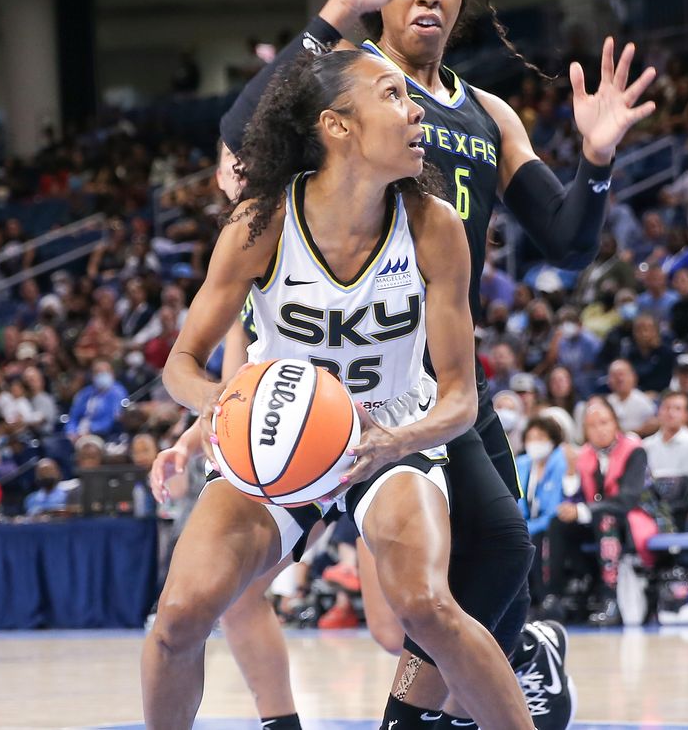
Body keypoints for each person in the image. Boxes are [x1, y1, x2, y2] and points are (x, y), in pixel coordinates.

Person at [184, 0, 655, 728]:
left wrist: (597, 160)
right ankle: (475, 676)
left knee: (501, 551)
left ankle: (443, 700)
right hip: (316, 383)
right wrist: (337, 7)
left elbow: (568, 241)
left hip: (432, 380)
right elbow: (239, 132)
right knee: (365, 596)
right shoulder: (343, 94)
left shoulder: (490, 113)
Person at [141, 49, 532, 729]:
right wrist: (216, 405)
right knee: (177, 617)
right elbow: (181, 361)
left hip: (387, 435)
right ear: (338, 126)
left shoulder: (433, 225)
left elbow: (461, 399)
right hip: (276, 440)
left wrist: (397, 441)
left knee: (427, 607)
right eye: (393, 96)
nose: (417, 113)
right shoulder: (259, 223)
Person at [541, 396, 653, 625]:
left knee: (606, 520)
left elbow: (628, 499)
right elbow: (575, 498)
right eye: (592, 425)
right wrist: (571, 472)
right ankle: (554, 597)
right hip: (594, 517)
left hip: (631, 518)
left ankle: (610, 599)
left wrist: (582, 510)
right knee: (557, 523)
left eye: (605, 422)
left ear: (615, 424)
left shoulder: (635, 450)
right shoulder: (584, 455)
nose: (600, 430)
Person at [515, 417, 568, 608]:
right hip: (527, 525)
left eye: (540, 437)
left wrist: (526, 528)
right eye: (531, 438)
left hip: (551, 525)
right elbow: (516, 501)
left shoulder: (561, 462)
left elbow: (555, 507)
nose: (535, 442)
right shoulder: (521, 464)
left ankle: (545, 598)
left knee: (537, 538)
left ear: (552, 440)